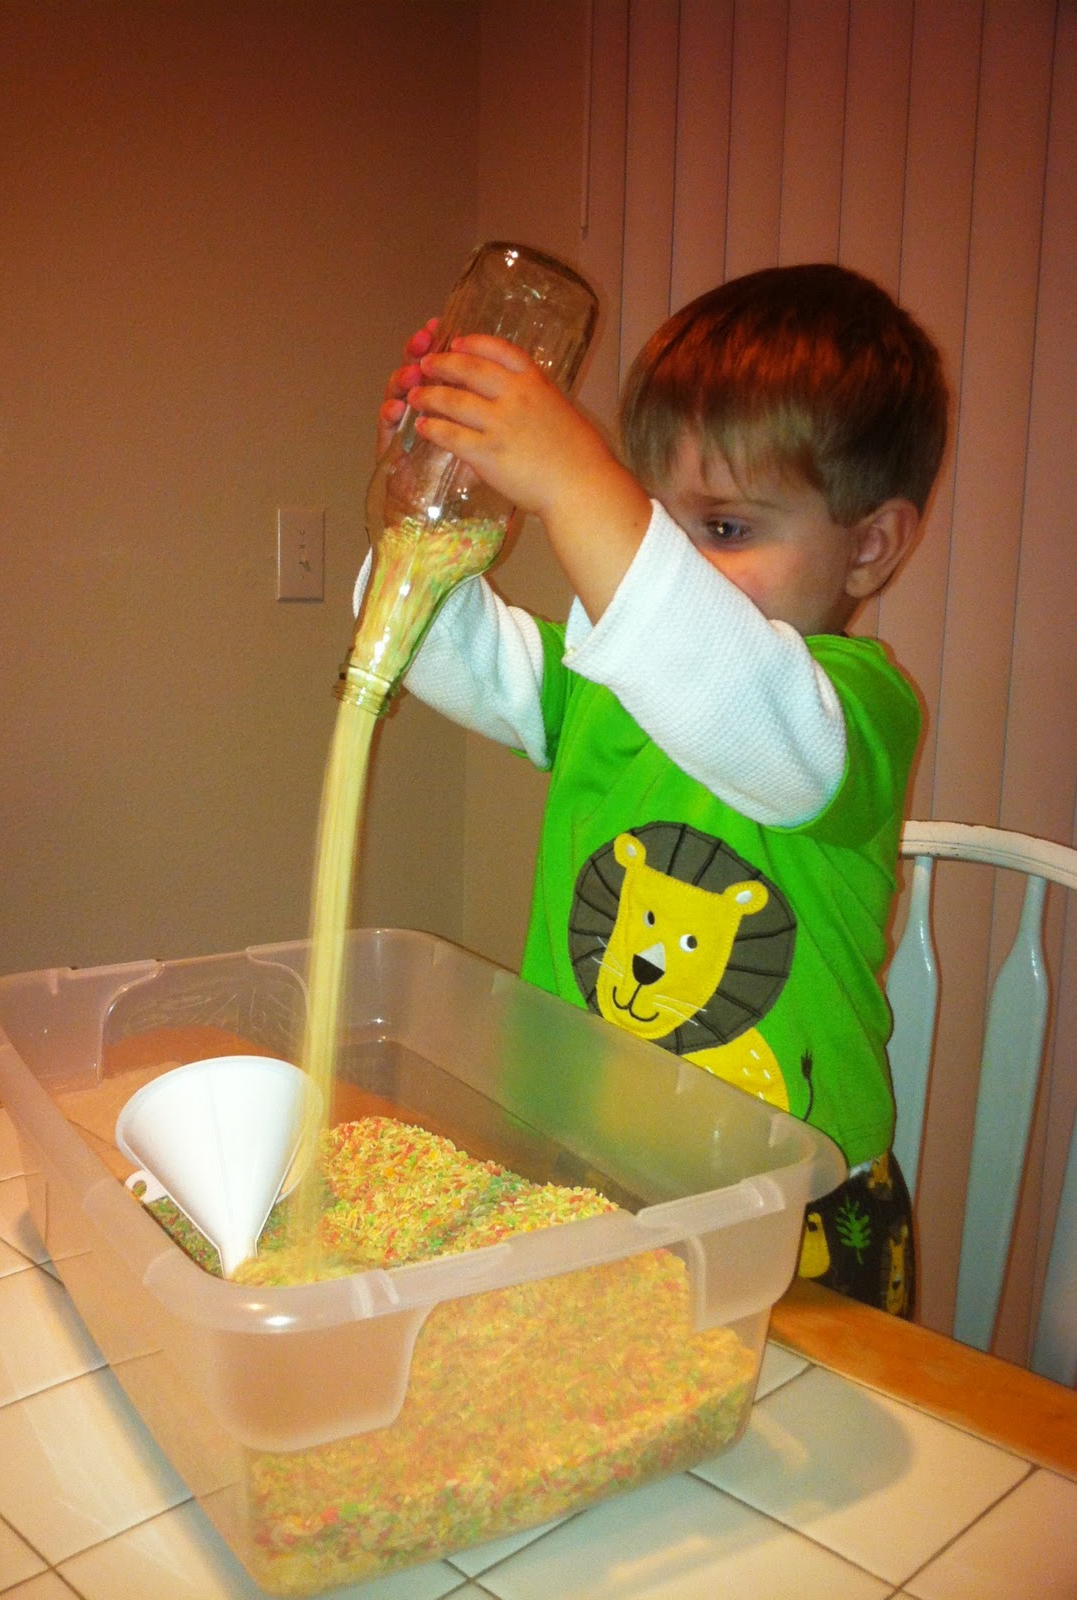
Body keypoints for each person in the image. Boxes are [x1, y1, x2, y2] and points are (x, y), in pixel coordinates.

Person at [368, 263, 949, 1316]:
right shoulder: (616, 683)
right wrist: (429, 502)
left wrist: (575, 482)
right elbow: (446, 651)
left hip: (791, 1207)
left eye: (723, 530)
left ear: (868, 547)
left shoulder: (850, 710)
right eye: (655, 521)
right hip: (592, 1166)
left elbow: (723, 687)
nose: (671, 562)